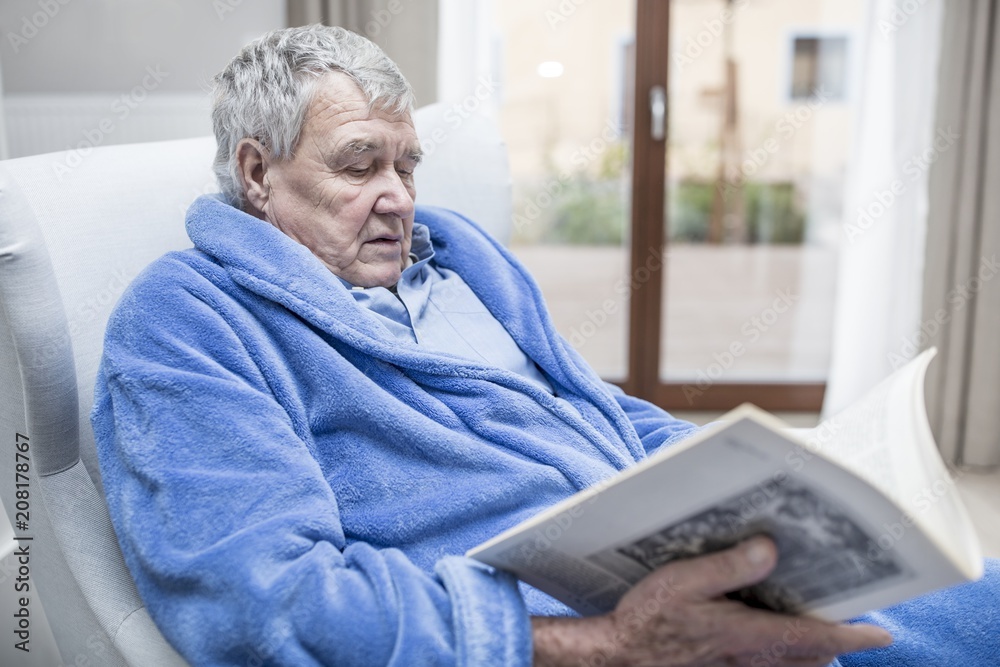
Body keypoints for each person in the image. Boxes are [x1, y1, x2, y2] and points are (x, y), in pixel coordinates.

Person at [91, 25, 997, 667]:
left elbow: (602, 413)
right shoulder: (187, 321)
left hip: (675, 565)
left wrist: (760, 487)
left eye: (407, 165)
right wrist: (614, 646)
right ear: (257, 173)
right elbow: (267, 602)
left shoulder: (462, 261)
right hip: (555, 626)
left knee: (977, 594)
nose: (400, 195)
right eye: (361, 164)